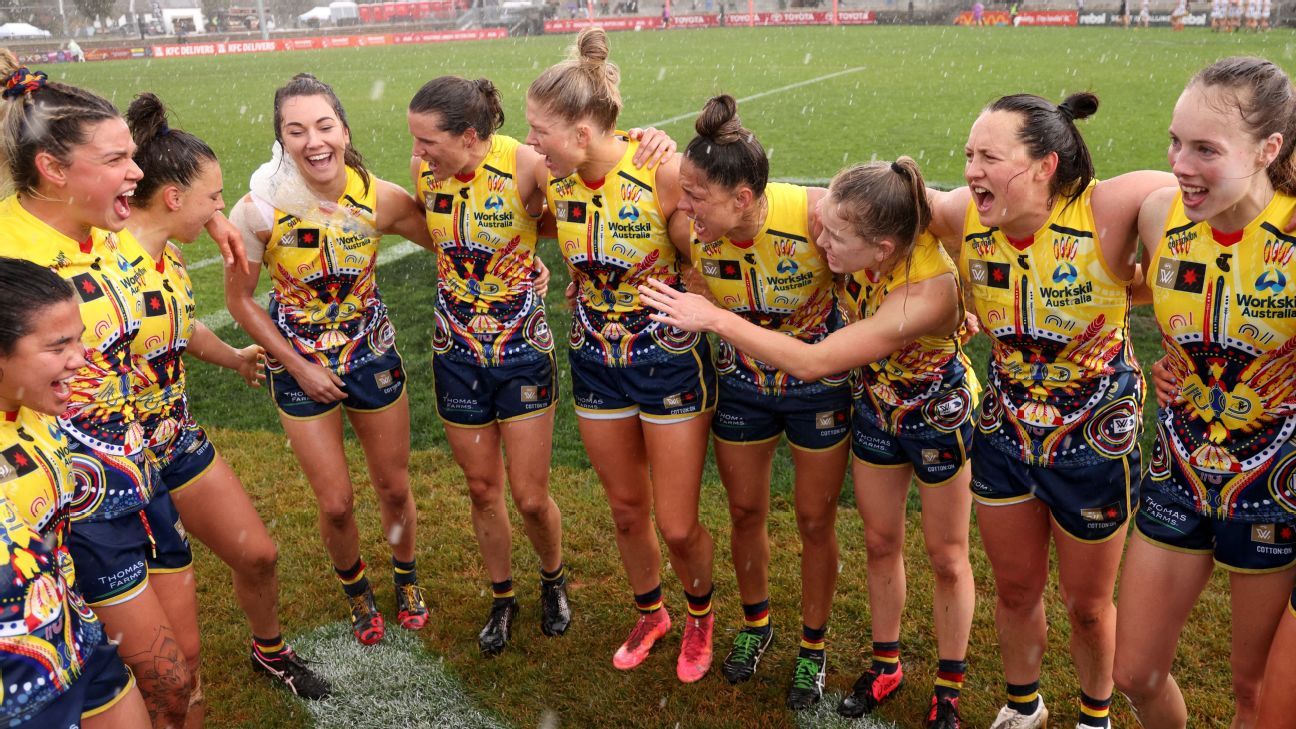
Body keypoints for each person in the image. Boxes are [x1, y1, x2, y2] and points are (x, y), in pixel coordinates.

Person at [641, 155, 977, 728]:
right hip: (875, 406)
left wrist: (715, 319)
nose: (818, 240)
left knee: (946, 555)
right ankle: (884, 665)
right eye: (823, 224)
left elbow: (815, 361)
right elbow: (732, 182)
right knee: (879, 544)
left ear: (882, 251)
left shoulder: (929, 291)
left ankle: (948, 685)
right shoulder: (857, 236)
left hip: (935, 413)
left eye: (835, 236)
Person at [925, 93, 1173, 729]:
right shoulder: (966, 214)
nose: (972, 170)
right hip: (1004, 434)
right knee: (1014, 590)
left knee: (1088, 605)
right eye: (968, 155)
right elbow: (901, 197)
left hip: (1094, 439)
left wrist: (1161, 269)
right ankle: (1023, 705)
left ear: (1044, 166)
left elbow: (1185, 191)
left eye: (989, 157)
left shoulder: (1104, 209)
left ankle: (1095, 714)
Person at [0, 52, 202, 727]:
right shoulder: (8, 253)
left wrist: (217, 216)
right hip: (65, 503)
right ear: (54, 169)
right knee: (164, 679)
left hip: (135, 469)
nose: (137, 172)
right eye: (117, 158)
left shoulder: (109, 233)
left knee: (183, 675)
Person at [525, 27, 719, 683]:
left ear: (581, 133)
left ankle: (700, 614)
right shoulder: (557, 181)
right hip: (594, 363)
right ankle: (651, 611)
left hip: (667, 364)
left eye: (540, 132)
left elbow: (710, 262)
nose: (532, 144)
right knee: (627, 509)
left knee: (678, 519)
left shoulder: (660, 172)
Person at [124, 92, 332, 702]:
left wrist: (235, 354)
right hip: (122, 464)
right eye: (213, 198)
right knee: (164, 643)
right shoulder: (104, 270)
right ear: (172, 198)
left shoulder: (169, 259)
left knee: (259, 555)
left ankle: (269, 651)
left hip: (178, 440)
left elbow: (180, 326)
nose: (222, 209)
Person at [1112, 56, 1296, 729]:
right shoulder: (1162, 215)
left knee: (1253, 690)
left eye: (1205, 149)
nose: (1179, 163)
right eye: (1175, 142)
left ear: (1268, 149)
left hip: (1273, 480)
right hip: (1177, 467)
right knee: (1134, 671)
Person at [227, 73, 433, 647]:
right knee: (337, 503)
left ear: (344, 128)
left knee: (393, 489)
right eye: (296, 131)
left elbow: (457, 245)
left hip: (373, 355)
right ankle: (357, 589)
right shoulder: (260, 212)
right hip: (299, 368)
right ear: (281, 140)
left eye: (323, 125)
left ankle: (406, 576)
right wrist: (297, 365)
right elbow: (238, 301)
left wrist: (528, 264)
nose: (314, 141)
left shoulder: (380, 196)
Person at [662, 94, 849, 708]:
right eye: (682, 192)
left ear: (743, 199)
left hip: (815, 385)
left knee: (815, 520)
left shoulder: (817, 216)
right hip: (742, 386)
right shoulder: (692, 232)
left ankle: (813, 647)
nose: (684, 207)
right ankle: (756, 624)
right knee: (745, 513)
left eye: (697, 197)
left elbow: (883, 259)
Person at [406, 75, 570, 656]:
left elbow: (567, 220)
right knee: (481, 488)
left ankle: (553, 579)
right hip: (456, 351)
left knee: (529, 495)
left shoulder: (527, 164)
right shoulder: (425, 172)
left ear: (470, 136)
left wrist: (533, 262)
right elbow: (445, 236)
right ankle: (504, 596)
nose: (419, 153)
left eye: (428, 141)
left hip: (522, 348)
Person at [0, 258, 152, 727]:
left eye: (80, 337)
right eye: (58, 345)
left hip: (75, 635)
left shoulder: (36, 407)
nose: (82, 357)